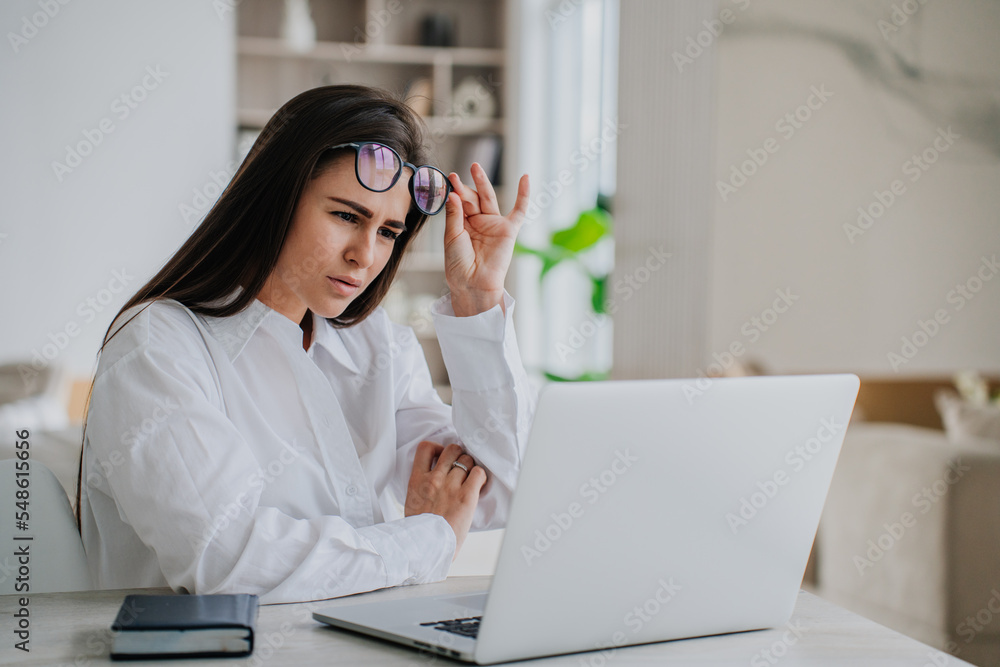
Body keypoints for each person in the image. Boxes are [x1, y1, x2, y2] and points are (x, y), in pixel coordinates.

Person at [76, 84, 537, 604]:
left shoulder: (377, 346)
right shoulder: (157, 348)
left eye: (389, 231)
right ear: (275, 199)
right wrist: (427, 536)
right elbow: (229, 560)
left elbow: (498, 490)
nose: (365, 254)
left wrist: (478, 301)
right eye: (346, 216)